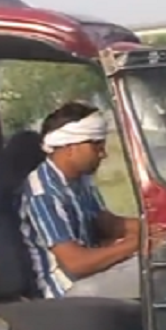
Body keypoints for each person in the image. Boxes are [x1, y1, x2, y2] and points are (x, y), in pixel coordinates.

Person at [18, 102, 141, 301]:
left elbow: (110, 224)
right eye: (96, 146)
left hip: (89, 279)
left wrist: (156, 230)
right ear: (69, 148)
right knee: (158, 275)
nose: (103, 153)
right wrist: (136, 244)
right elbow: (76, 264)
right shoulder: (44, 194)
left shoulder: (80, 181)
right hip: (68, 291)